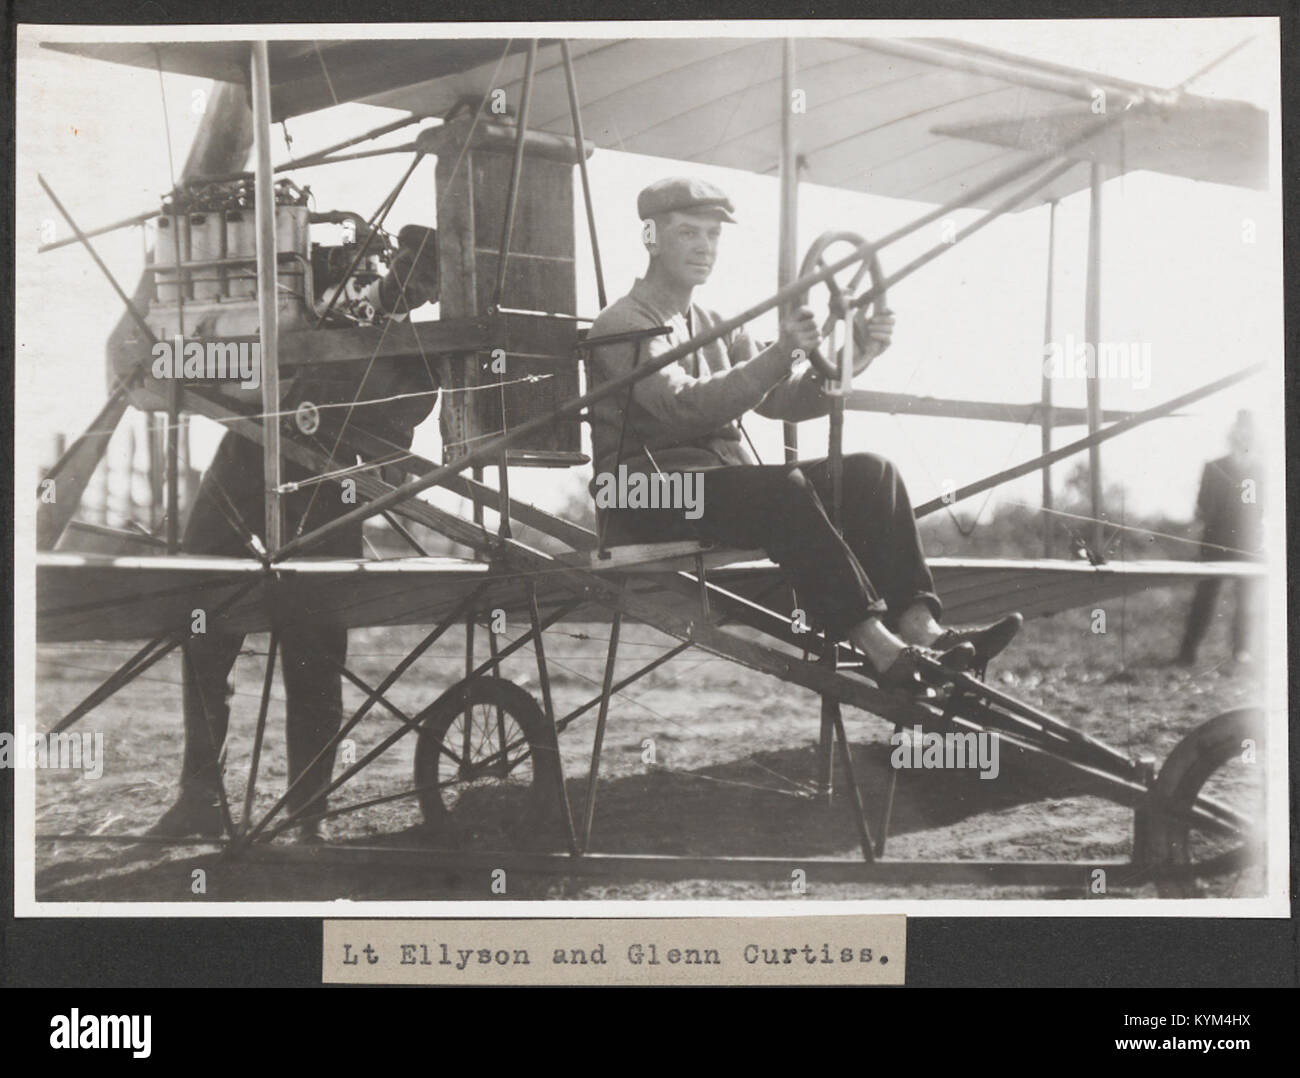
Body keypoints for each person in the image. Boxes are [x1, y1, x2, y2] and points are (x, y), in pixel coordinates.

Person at [585, 177, 1021, 693]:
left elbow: (783, 397)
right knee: (782, 489)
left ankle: (925, 629)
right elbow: (682, 408)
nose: (704, 247)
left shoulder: (715, 323)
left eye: (712, 235)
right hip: (642, 495)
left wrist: (856, 353)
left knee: (871, 473)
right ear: (651, 238)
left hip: (716, 490)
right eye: (687, 233)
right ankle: (882, 650)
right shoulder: (621, 325)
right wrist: (779, 354)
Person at [150, 224, 440, 839]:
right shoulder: (327, 288)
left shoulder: (421, 352)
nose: (408, 283)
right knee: (200, 610)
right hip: (246, 456)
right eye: (406, 266)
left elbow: (399, 429)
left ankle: (309, 810)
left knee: (314, 642)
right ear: (392, 263)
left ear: (431, 292)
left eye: (422, 279)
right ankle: (199, 795)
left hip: (325, 480)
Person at [1176, 410, 1264, 667]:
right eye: (1239, 433)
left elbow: (1266, 508)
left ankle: (1241, 651)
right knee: (1204, 597)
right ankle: (1188, 651)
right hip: (1215, 540)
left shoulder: (1261, 470)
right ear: (1231, 435)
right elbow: (1202, 505)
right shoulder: (1214, 467)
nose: (1243, 438)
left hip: (1249, 543)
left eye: (1248, 434)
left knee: (1247, 600)